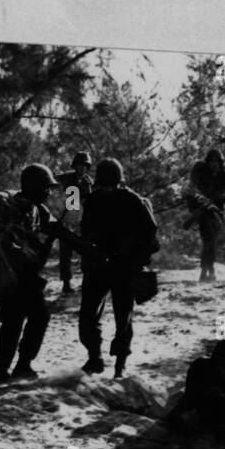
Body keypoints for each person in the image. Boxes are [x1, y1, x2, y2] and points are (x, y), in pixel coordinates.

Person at [77, 158, 159, 379]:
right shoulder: (92, 200)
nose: (108, 188)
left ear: (119, 182)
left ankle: (120, 364)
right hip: (98, 267)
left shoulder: (133, 200)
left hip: (125, 267)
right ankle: (95, 358)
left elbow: (150, 231)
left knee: (124, 319)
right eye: (104, 184)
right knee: (87, 318)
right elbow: (85, 229)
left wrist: (136, 261)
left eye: (111, 184)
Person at [0, 163, 59, 383]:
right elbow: (8, 245)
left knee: (15, 319)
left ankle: (2, 369)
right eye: (45, 187)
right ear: (33, 186)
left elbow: (55, 227)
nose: (48, 192)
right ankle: (17, 366)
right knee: (31, 317)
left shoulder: (37, 209)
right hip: (11, 275)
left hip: (17, 275)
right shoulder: (13, 209)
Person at [185, 149, 225, 282]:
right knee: (208, 239)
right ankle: (207, 269)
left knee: (211, 241)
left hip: (218, 211)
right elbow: (191, 193)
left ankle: (207, 269)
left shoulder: (224, 176)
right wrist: (194, 210)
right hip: (203, 212)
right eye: (212, 161)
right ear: (208, 162)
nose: (214, 164)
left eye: (217, 161)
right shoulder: (202, 175)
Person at [55, 151, 93, 293]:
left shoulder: (89, 182)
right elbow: (54, 186)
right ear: (75, 165)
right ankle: (66, 283)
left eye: (85, 166)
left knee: (86, 252)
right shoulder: (66, 178)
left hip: (82, 221)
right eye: (79, 165)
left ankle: (85, 281)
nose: (82, 168)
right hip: (66, 220)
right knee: (65, 254)